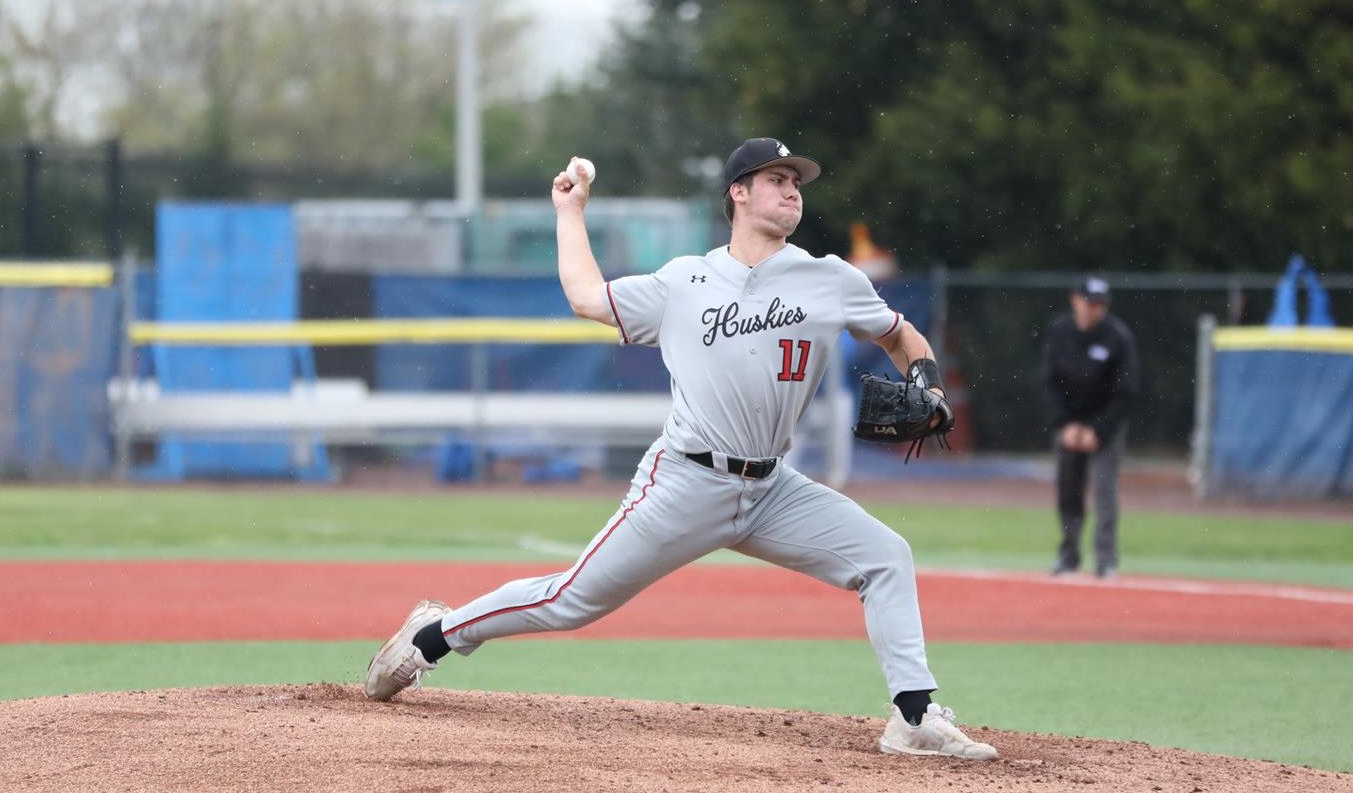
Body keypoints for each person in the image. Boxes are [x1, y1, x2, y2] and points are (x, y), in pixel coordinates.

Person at [364, 137, 998, 760]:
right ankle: (434, 635)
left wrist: (928, 381)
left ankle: (913, 716)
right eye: (777, 179)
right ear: (739, 193)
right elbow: (587, 298)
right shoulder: (684, 282)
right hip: (686, 481)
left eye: (797, 182)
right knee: (570, 601)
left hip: (774, 489)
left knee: (886, 555)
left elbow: (901, 335)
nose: (792, 191)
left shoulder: (830, 279)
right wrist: (570, 213)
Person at [1041, 276, 1140, 579]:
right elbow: (1047, 383)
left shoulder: (1117, 336)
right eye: (1088, 302)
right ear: (1075, 300)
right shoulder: (1060, 332)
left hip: (1104, 428)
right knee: (1068, 491)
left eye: (1099, 304)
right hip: (1069, 425)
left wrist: (1099, 429)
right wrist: (1065, 425)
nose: (1092, 309)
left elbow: (1127, 390)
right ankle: (1069, 555)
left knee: (1104, 491)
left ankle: (1106, 559)